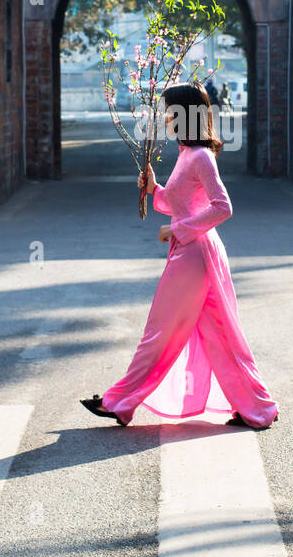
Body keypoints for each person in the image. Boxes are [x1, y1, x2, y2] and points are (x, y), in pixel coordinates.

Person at [81, 80, 279, 429]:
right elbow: (180, 204)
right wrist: (154, 188)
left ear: (186, 114)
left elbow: (222, 207)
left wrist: (179, 229)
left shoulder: (201, 156)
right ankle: (258, 407)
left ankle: (119, 402)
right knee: (221, 335)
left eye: (170, 111)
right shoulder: (187, 154)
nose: (164, 117)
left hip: (195, 255)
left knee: (161, 332)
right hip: (192, 253)